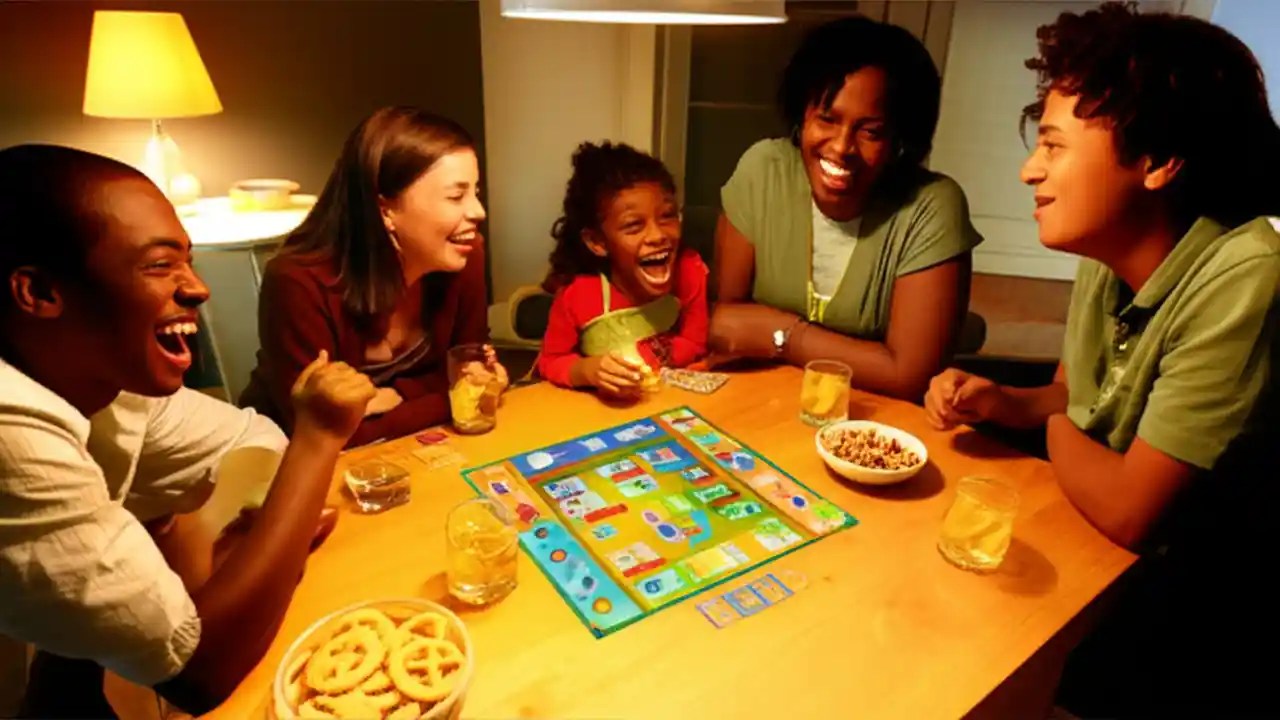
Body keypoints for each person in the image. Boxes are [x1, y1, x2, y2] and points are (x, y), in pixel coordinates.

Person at [922, 4, 1279, 714]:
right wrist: (1001, 401)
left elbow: (1128, 510)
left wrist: (1052, 431)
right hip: (1105, 577)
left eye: (1054, 146)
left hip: (1190, 627)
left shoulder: (1248, 272)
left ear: (1160, 161)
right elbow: (1072, 397)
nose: (1030, 170)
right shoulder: (1108, 252)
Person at [0, 144, 376, 717]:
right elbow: (199, 674)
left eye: (188, 261)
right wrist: (319, 434)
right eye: (159, 265)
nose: (198, 288)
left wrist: (240, 544)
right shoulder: (11, 434)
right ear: (41, 293)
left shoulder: (110, 380)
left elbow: (253, 440)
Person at [710, 16, 982, 400]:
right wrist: (864, 357)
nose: (841, 147)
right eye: (827, 118)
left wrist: (785, 335)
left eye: (869, 131)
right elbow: (726, 323)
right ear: (801, 113)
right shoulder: (762, 169)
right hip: (763, 403)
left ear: (899, 139)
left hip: (873, 425)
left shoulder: (932, 207)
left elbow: (909, 375)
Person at [240, 106, 506, 447]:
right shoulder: (297, 282)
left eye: (476, 193)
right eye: (456, 196)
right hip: (285, 456)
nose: (478, 211)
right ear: (385, 210)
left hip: (415, 445)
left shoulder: (466, 254)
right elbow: (321, 430)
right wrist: (446, 396)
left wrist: (394, 396)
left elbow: (474, 375)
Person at [537, 141, 708, 398]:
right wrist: (587, 370)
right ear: (598, 242)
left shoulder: (689, 271)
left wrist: (652, 356)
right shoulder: (578, 295)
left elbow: (696, 342)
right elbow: (551, 360)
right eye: (634, 226)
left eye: (667, 216)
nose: (658, 235)